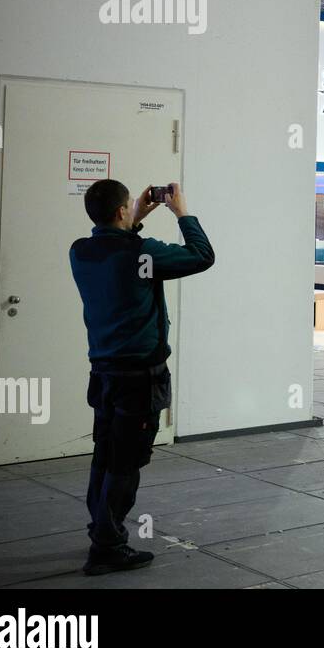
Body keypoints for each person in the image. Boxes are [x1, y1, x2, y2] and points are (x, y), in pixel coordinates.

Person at [69, 179, 214, 576]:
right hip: (140, 377)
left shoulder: (80, 251)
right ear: (121, 210)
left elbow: (121, 254)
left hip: (104, 373)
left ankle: (100, 525)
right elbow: (201, 256)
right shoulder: (141, 251)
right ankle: (107, 547)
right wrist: (181, 211)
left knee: (105, 454)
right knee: (126, 462)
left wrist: (134, 220)